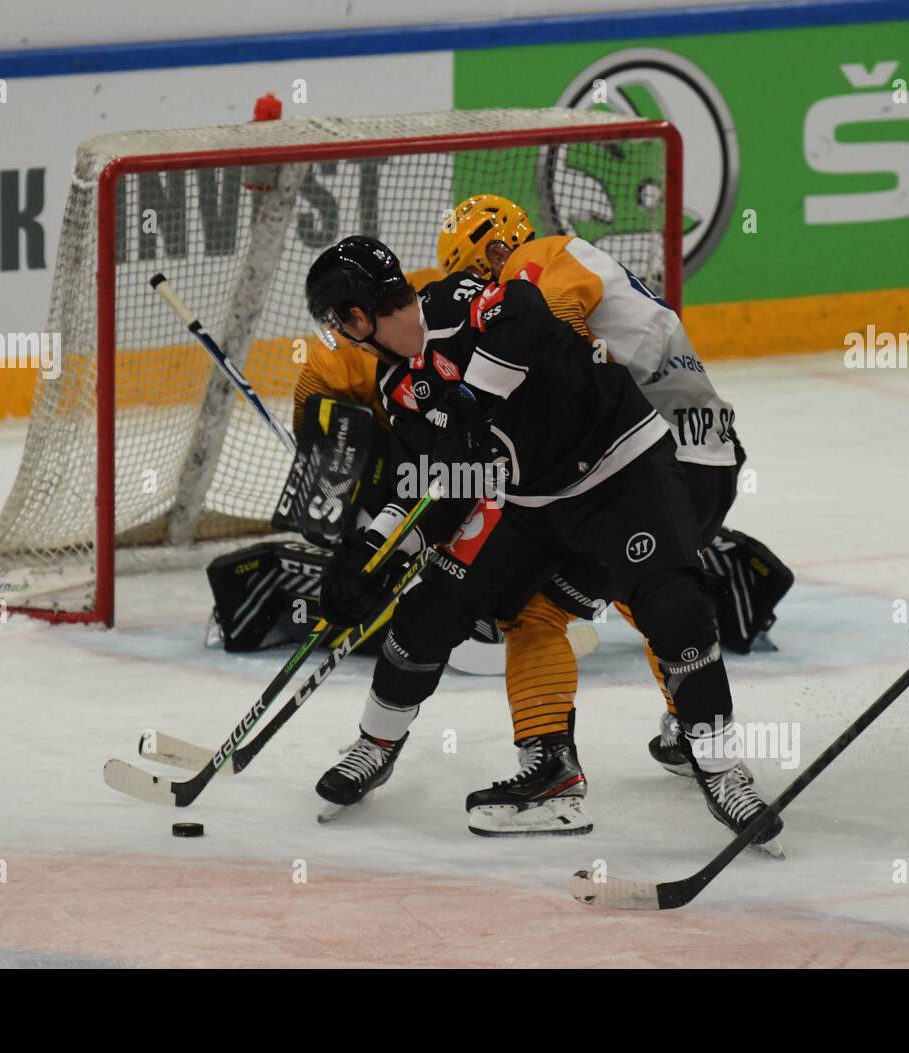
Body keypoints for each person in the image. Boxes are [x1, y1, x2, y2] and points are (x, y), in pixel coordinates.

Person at [304, 234, 783, 851]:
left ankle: (720, 769)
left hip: (621, 471)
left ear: (357, 315)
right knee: (426, 613)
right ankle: (375, 745)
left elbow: (526, 315)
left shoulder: (456, 300)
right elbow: (437, 489)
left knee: (674, 608)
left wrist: (475, 398)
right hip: (527, 503)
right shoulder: (398, 385)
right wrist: (368, 554)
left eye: (339, 323)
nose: (340, 335)